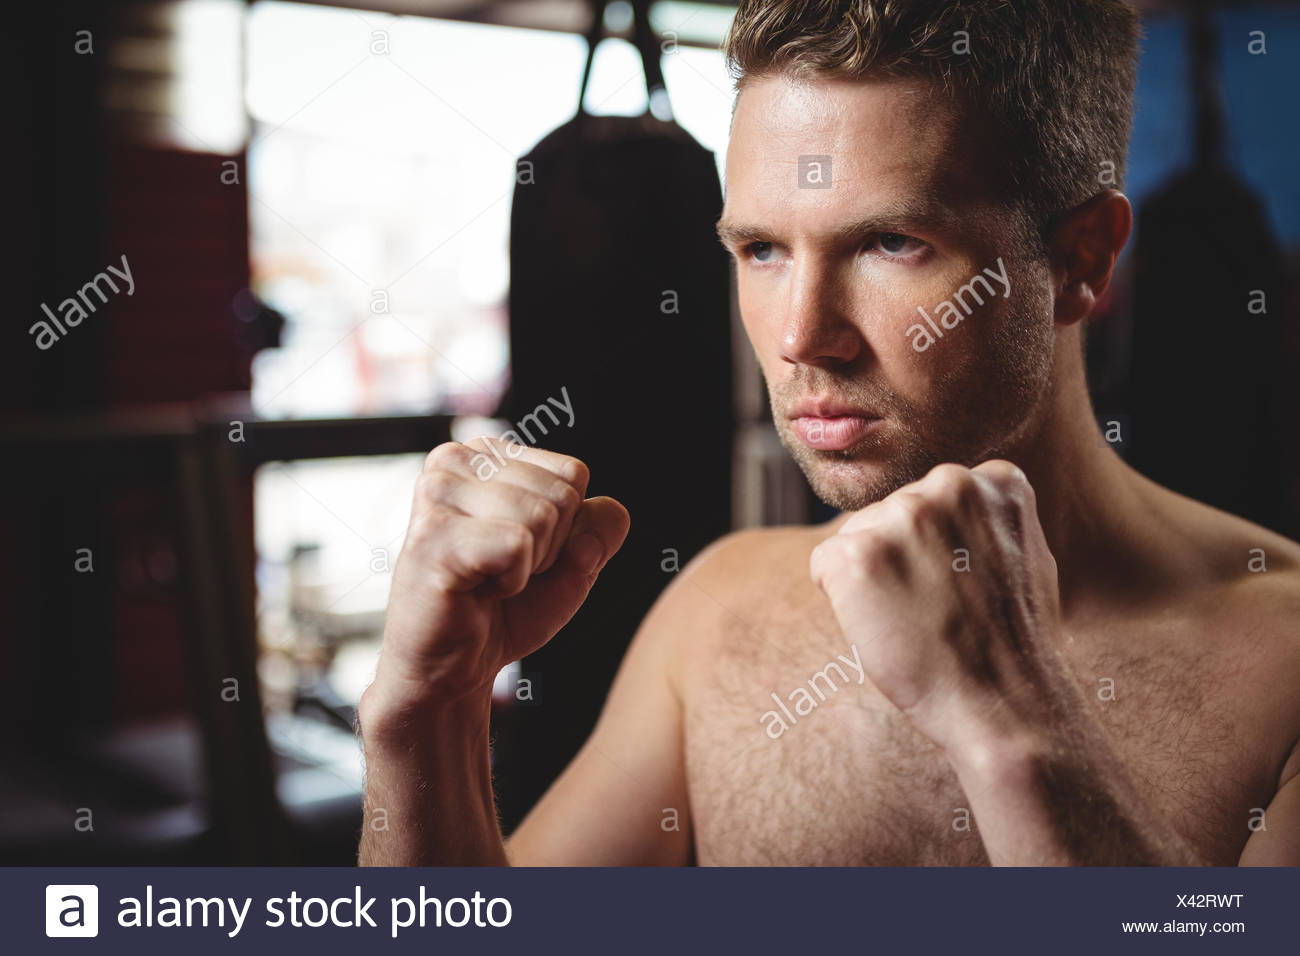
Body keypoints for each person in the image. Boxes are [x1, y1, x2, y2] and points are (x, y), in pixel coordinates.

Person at [357, 0, 1300, 866]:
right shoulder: (718, 615)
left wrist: (1017, 734)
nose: (803, 336)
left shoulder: (1283, 668)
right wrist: (422, 721)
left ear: (1080, 258)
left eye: (891, 242)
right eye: (761, 249)